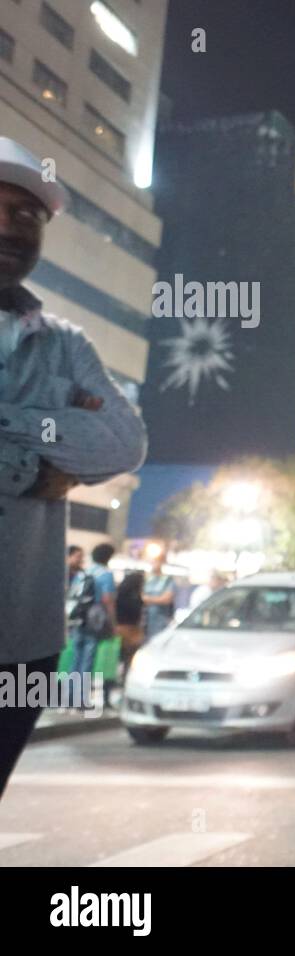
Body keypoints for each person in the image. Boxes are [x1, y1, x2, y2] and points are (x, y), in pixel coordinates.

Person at [0, 137, 146, 797]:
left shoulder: (66, 341)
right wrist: (53, 433)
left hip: (24, 637)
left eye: (28, 215)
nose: (12, 226)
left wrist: (14, 426)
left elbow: (124, 444)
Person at [66, 542, 117, 710]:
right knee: (87, 661)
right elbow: (107, 600)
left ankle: (70, 697)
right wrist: (112, 621)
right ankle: (81, 699)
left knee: (75, 659)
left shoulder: (84, 572)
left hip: (78, 619)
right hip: (94, 621)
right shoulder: (106, 574)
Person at [113, 570, 146, 700]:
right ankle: (126, 683)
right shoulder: (135, 597)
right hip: (132, 630)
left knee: (118, 659)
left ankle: (114, 684)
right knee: (130, 659)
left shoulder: (119, 594)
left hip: (119, 628)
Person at [141, 555, 176, 640]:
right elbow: (140, 597)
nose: (154, 564)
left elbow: (166, 599)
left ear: (161, 562)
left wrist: (147, 599)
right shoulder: (146, 578)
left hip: (161, 621)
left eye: (156, 561)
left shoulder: (167, 579)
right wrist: (157, 599)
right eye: (152, 561)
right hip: (145, 621)